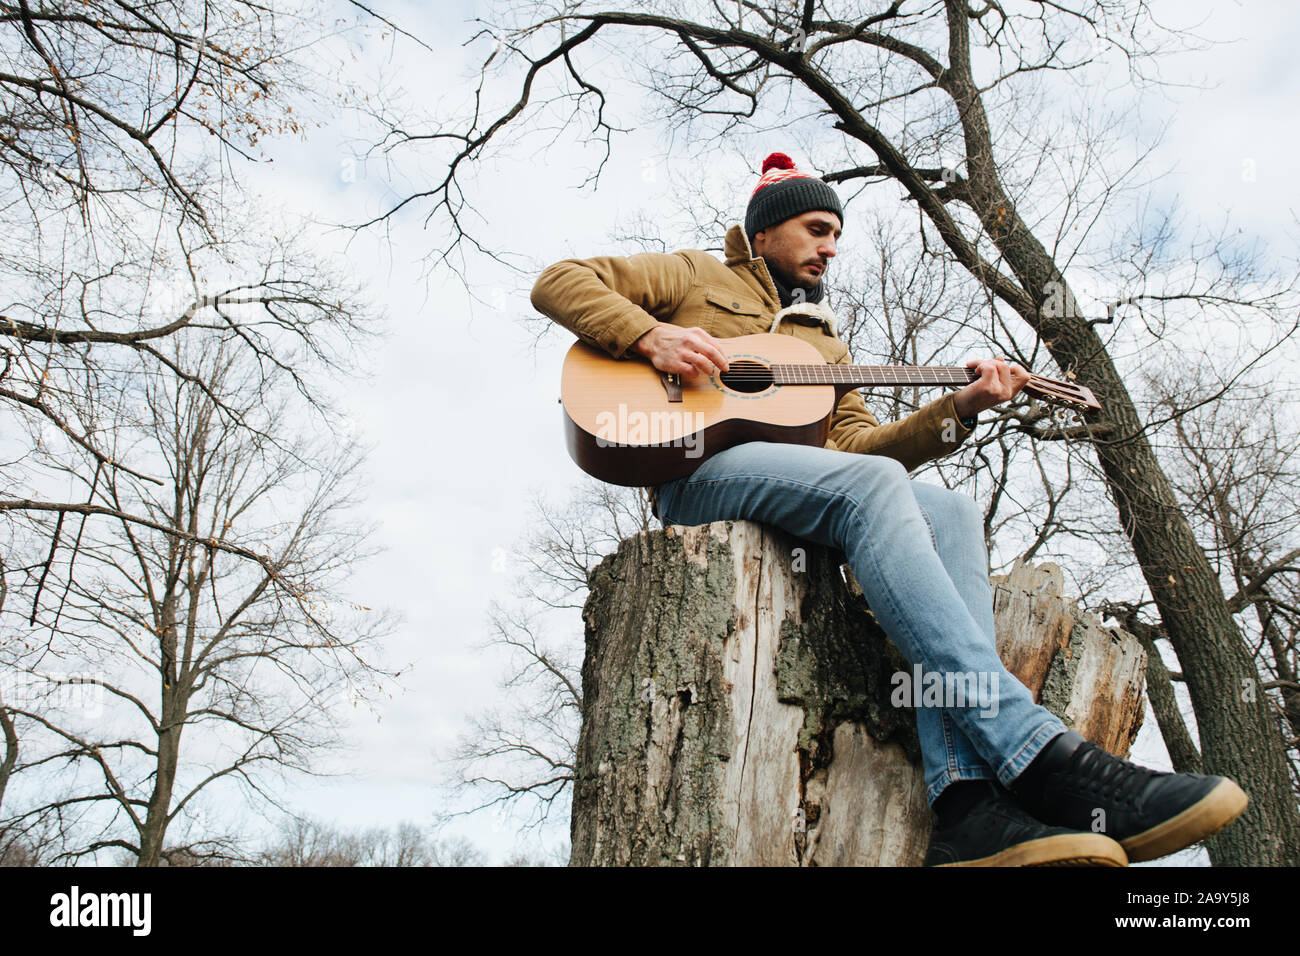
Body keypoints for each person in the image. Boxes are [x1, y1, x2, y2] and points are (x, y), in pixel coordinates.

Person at [530, 152, 1248, 866]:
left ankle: (966, 805)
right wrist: (648, 335)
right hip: (695, 476)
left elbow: (859, 448)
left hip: (795, 486)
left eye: (837, 234)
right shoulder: (694, 275)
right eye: (815, 228)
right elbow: (560, 280)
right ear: (766, 231)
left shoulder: (825, 344)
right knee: (875, 489)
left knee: (952, 516)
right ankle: (1035, 753)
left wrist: (960, 409)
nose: (829, 246)